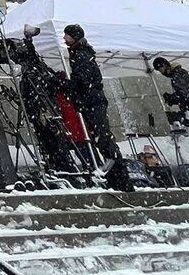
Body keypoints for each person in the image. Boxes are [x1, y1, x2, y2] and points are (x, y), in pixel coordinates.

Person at [62, 24, 128, 187]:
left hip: (92, 101)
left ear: (74, 36)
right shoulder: (80, 53)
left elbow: (82, 80)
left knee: (102, 135)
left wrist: (68, 86)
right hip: (90, 101)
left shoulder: (81, 54)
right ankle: (115, 173)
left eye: (67, 35)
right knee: (99, 134)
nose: (64, 38)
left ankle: (116, 170)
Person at [16, 33, 73, 174]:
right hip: (40, 113)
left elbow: (51, 86)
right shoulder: (34, 73)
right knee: (48, 142)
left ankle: (62, 167)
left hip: (46, 113)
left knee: (54, 142)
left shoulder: (38, 71)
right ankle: (56, 165)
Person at [153, 57, 189, 156]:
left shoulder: (176, 76)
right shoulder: (181, 73)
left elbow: (184, 95)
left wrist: (171, 98)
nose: (161, 72)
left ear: (165, 65)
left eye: (160, 69)